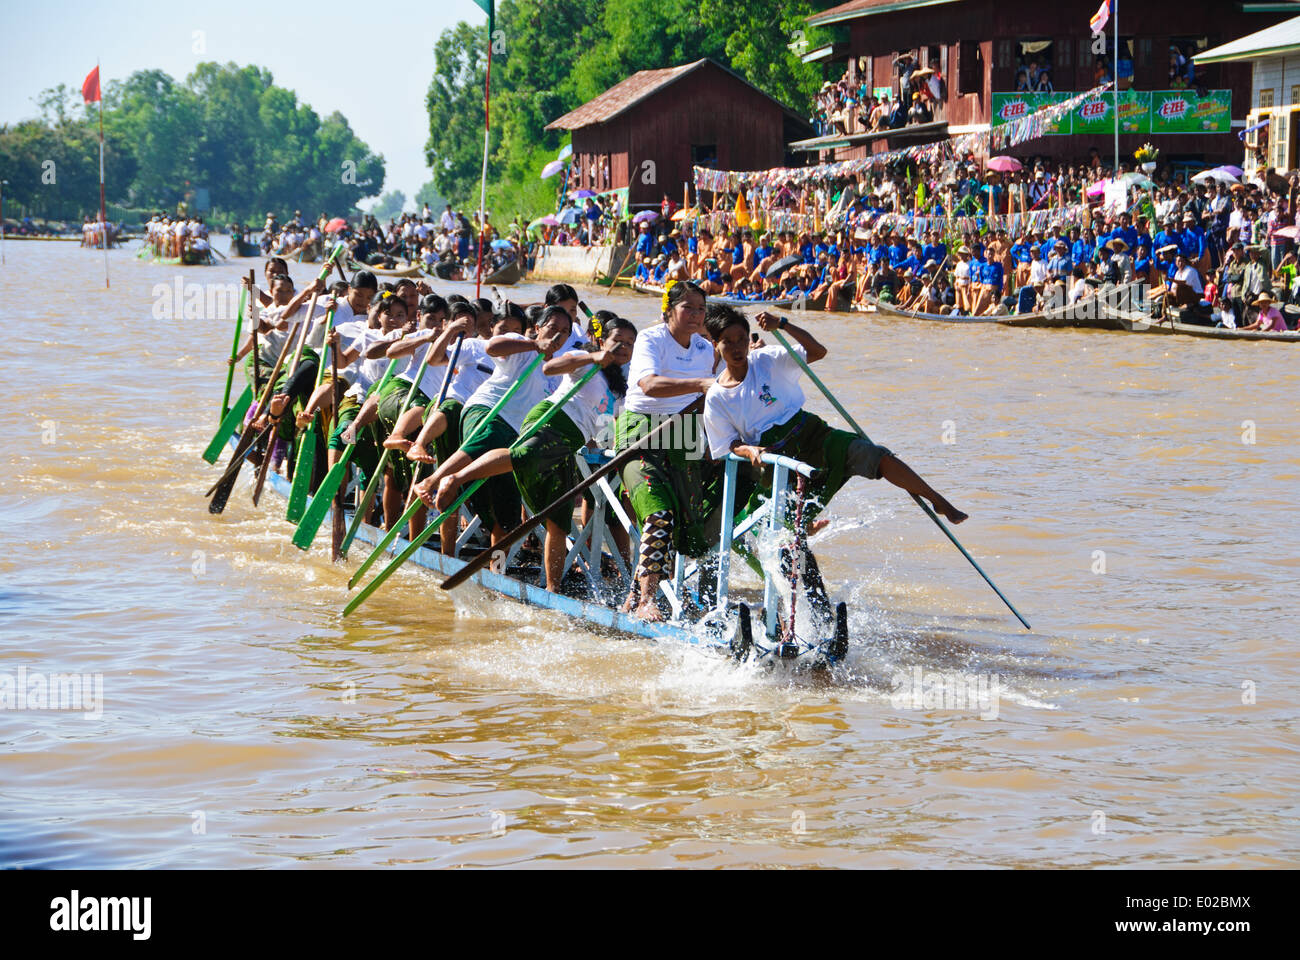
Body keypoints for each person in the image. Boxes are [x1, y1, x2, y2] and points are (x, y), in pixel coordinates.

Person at [702, 305, 966, 551]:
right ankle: (804, 543)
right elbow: (727, 446)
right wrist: (749, 450)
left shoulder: (766, 359)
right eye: (727, 341)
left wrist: (783, 324)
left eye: (741, 339)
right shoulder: (717, 396)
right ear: (716, 345)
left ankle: (937, 500)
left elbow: (818, 352)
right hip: (776, 455)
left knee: (875, 455)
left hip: (810, 431)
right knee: (783, 530)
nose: (737, 348)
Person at [430, 318, 637, 592]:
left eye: (630, 343)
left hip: (571, 442)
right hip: (552, 419)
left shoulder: (620, 386)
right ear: (602, 341)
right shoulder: (584, 359)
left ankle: (553, 590)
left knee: (559, 516)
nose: (624, 347)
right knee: (524, 455)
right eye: (618, 341)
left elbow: (603, 425)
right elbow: (551, 368)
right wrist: (593, 356)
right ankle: (455, 478)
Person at [614, 281, 718, 621]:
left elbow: (716, 396)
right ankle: (647, 601)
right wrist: (701, 384)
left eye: (701, 309)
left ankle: (637, 592)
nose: (696, 315)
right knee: (658, 513)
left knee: (687, 524)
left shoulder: (704, 349)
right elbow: (649, 385)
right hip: (642, 428)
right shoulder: (651, 338)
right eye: (688, 307)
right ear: (668, 311)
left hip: (686, 433)